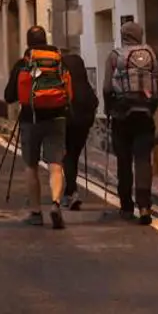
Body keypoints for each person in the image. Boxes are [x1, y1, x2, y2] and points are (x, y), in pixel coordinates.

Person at [4, 25, 71, 229]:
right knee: (56, 164)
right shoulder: (59, 61)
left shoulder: (23, 63)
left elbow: (9, 96)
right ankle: (56, 203)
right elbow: (68, 90)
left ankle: (35, 212)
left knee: (31, 165)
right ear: (45, 40)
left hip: (30, 119)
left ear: (28, 42)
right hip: (57, 118)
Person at [103, 21, 158, 225]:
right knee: (143, 160)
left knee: (124, 161)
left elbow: (107, 88)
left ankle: (126, 206)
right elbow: (157, 85)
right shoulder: (150, 54)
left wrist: (108, 110)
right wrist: (152, 109)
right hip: (145, 115)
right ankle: (144, 206)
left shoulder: (115, 56)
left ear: (123, 36)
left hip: (122, 115)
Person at [58, 42, 98, 211]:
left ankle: (71, 191)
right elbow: (94, 102)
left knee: (68, 156)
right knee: (73, 155)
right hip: (83, 124)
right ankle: (70, 191)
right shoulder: (85, 85)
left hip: (68, 122)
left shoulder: (63, 82)